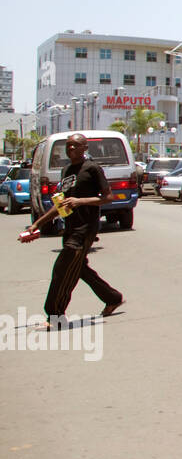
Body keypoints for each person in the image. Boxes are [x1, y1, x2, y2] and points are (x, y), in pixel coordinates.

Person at [34, 134, 124, 329]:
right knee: (79, 269)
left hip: (85, 229)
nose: (71, 148)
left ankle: (56, 317)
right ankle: (113, 297)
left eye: (75, 145)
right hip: (70, 227)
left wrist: (80, 201)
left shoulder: (92, 168)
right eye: (68, 145)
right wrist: (37, 224)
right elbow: (61, 204)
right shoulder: (66, 170)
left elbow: (108, 197)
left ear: (84, 147)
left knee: (63, 269)